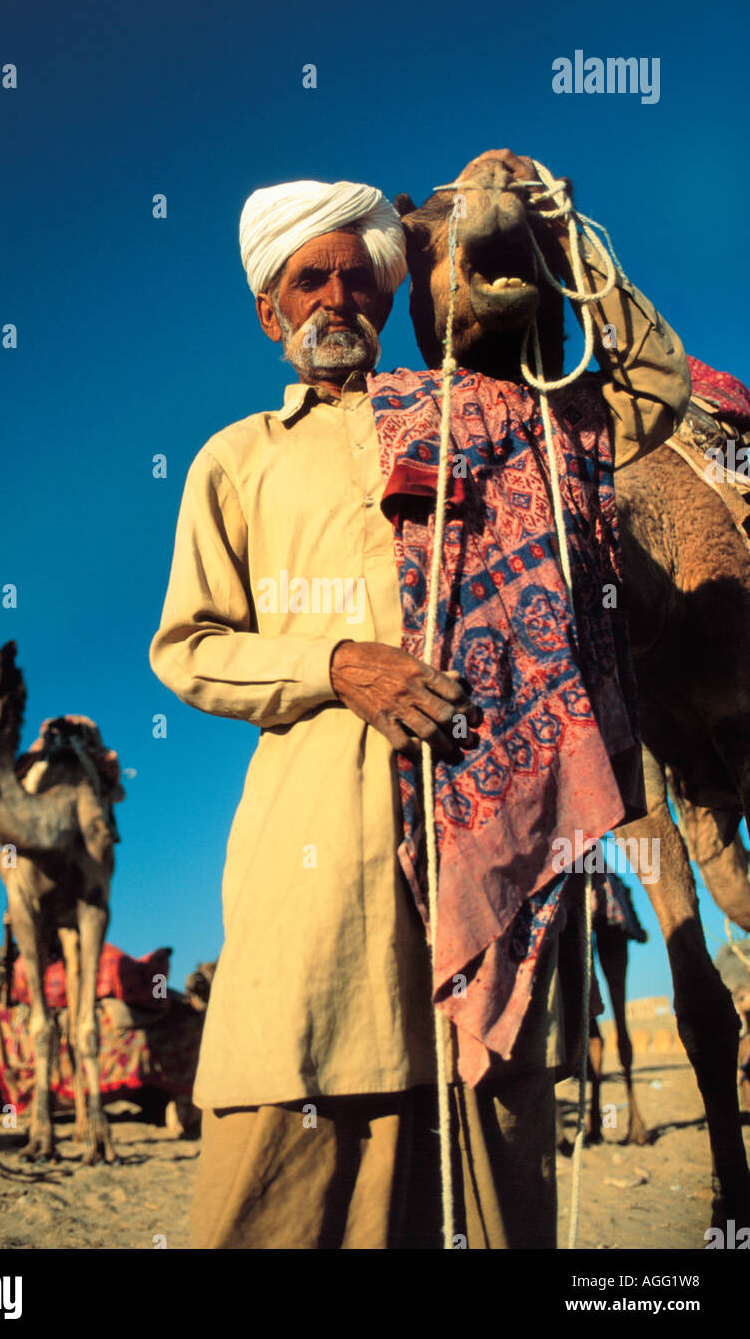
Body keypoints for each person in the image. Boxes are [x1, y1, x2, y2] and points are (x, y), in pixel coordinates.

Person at [149, 171, 688, 1248]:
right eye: (311, 280)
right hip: (317, 863)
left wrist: (553, 232)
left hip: (483, 862)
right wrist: (341, 664)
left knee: (495, 1165)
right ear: (270, 308)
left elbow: (646, 394)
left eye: (360, 279)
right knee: (282, 1144)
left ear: (393, 299)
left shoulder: (483, 419)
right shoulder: (238, 460)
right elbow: (188, 648)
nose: (337, 300)